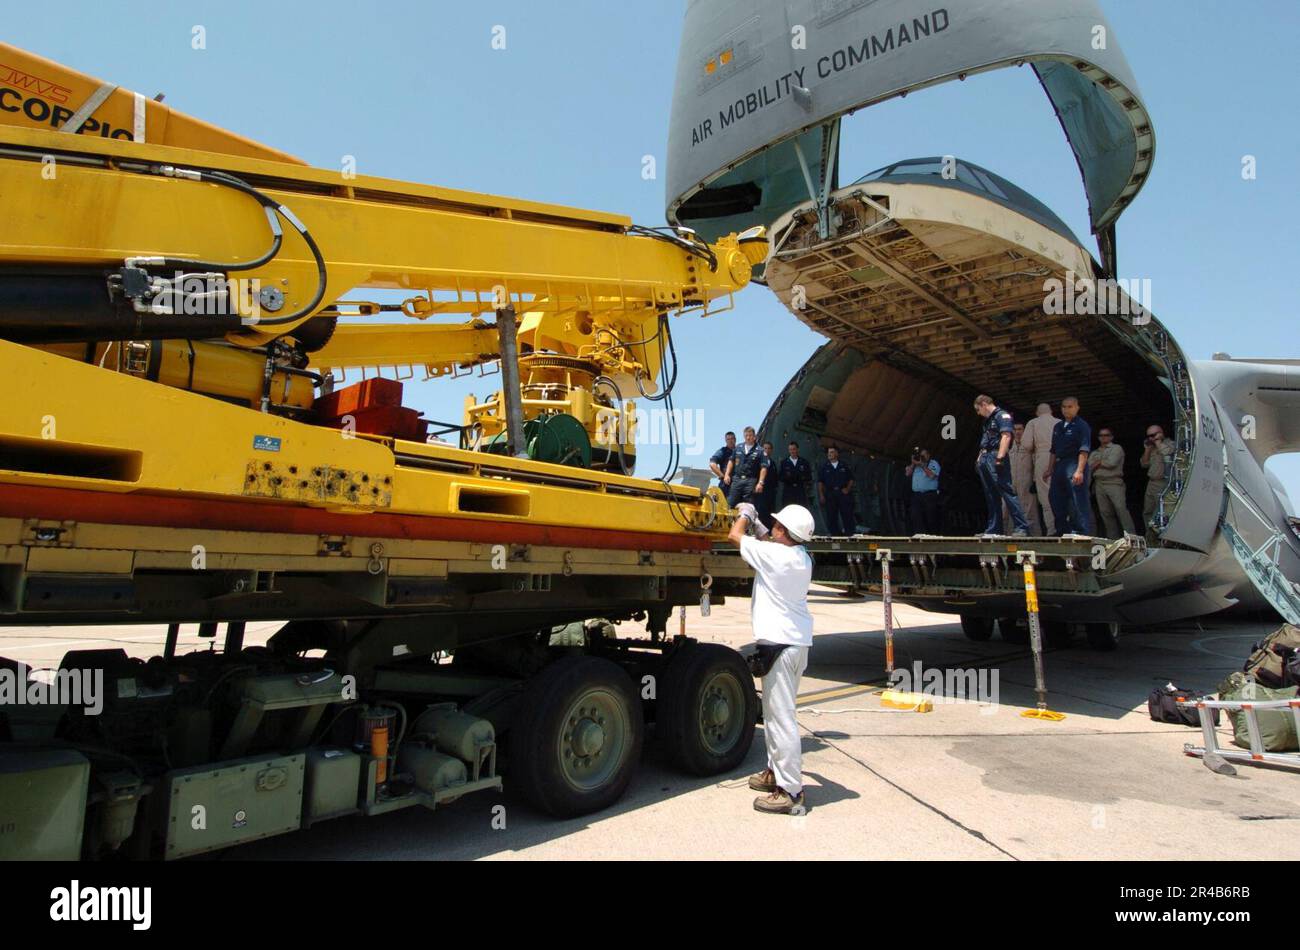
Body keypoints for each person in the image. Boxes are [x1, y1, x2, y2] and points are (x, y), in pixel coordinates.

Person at [728, 500, 815, 815]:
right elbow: (768, 543)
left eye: (777, 525)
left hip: (779, 644)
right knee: (776, 714)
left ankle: (791, 791)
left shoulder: (775, 556)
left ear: (784, 532)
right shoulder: (800, 557)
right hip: (795, 643)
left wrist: (746, 515)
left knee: (781, 720)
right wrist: (763, 526)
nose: (773, 528)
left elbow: (734, 537)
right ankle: (773, 772)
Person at [973, 395, 1030, 536]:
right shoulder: (988, 420)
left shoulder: (1001, 416)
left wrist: (1000, 457)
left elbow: (1006, 436)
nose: (978, 413)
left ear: (984, 404)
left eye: (978, 409)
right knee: (991, 495)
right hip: (985, 458)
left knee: (1006, 490)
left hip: (995, 456)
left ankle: (1021, 527)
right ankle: (994, 529)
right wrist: (979, 459)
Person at [1047, 396, 1093, 535]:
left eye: (1070, 406)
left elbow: (1084, 449)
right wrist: (1049, 469)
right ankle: (1061, 529)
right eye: (1064, 407)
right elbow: (1053, 450)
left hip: (1074, 462)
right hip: (1060, 465)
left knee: (1077, 498)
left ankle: (1081, 530)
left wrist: (1079, 470)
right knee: (1055, 497)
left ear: (1077, 408)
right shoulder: (1058, 426)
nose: (1066, 409)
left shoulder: (1081, 425)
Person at [1020, 402, 1060, 535]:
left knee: (1045, 496)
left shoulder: (1033, 423)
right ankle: (1065, 526)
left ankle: (1052, 529)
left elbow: (1026, 445)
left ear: (1037, 413)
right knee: (1062, 494)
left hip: (1043, 458)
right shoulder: (1060, 423)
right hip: (1061, 459)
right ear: (1051, 412)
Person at [1090, 427, 1135, 537]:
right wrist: (1099, 463)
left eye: (1106, 435)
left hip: (1114, 482)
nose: (1103, 437)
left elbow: (1112, 463)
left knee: (1121, 510)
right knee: (1105, 513)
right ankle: (1112, 539)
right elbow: (1089, 466)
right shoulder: (1095, 452)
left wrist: (1099, 462)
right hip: (1099, 483)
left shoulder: (1116, 448)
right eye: (1101, 435)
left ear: (1111, 437)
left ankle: (1131, 536)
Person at [1003, 422, 1041, 536]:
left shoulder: (1031, 447)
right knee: (1009, 511)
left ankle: (1035, 541)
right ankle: (1010, 540)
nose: (1017, 432)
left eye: (1020, 429)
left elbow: (1037, 464)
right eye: (1015, 429)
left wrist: (1035, 481)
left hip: (1027, 483)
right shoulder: (1009, 447)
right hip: (1012, 483)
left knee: (1030, 512)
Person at [1141, 423, 1177, 525]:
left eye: (1153, 435)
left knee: (1162, 511)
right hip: (1152, 482)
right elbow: (1144, 464)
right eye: (1148, 436)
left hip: (1163, 482)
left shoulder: (1170, 443)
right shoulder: (1151, 448)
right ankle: (1149, 535)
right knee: (1148, 511)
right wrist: (1147, 450)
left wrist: (1158, 442)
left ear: (1160, 433)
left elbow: (1168, 452)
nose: (1150, 438)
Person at [724, 427, 769, 507]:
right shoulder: (738, 447)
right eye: (746, 435)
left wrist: (760, 483)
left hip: (750, 481)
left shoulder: (760, 450)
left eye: (750, 435)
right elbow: (731, 461)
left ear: (754, 436)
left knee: (748, 507)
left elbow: (764, 468)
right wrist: (727, 474)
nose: (748, 437)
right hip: (737, 480)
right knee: (730, 504)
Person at [818, 446, 856, 535]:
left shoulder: (843, 465)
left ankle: (849, 534)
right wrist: (821, 495)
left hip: (842, 493)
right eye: (828, 452)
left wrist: (847, 489)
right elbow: (820, 482)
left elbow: (851, 479)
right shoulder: (824, 467)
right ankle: (835, 535)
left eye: (831, 452)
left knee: (847, 514)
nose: (829, 454)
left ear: (836, 454)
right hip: (830, 493)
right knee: (831, 516)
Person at [905, 447, 941, 533]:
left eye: (923, 456)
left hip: (929, 495)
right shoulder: (915, 466)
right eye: (920, 456)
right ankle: (920, 534)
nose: (921, 457)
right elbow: (907, 473)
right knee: (915, 515)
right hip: (917, 495)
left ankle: (933, 535)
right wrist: (913, 464)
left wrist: (923, 466)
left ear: (928, 455)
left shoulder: (933, 463)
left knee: (930, 516)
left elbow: (932, 476)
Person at [777, 441, 813, 510]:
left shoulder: (804, 462)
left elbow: (809, 477)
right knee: (788, 510)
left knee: (800, 510)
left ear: (797, 449)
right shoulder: (784, 463)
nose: (792, 451)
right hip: (788, 491)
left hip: (800, 491)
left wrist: (800, 477)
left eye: (794, 449)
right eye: (790, 449)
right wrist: (789, 477)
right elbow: (780, 477)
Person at [756, 441, 777, 530]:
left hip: (770, 492)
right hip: (761, 491)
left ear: (771, 450)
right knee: (761, 512)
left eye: (769, 448)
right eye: (765, 448)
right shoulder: (758, 462)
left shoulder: (773, 463)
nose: (767, 450)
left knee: (770, 512)